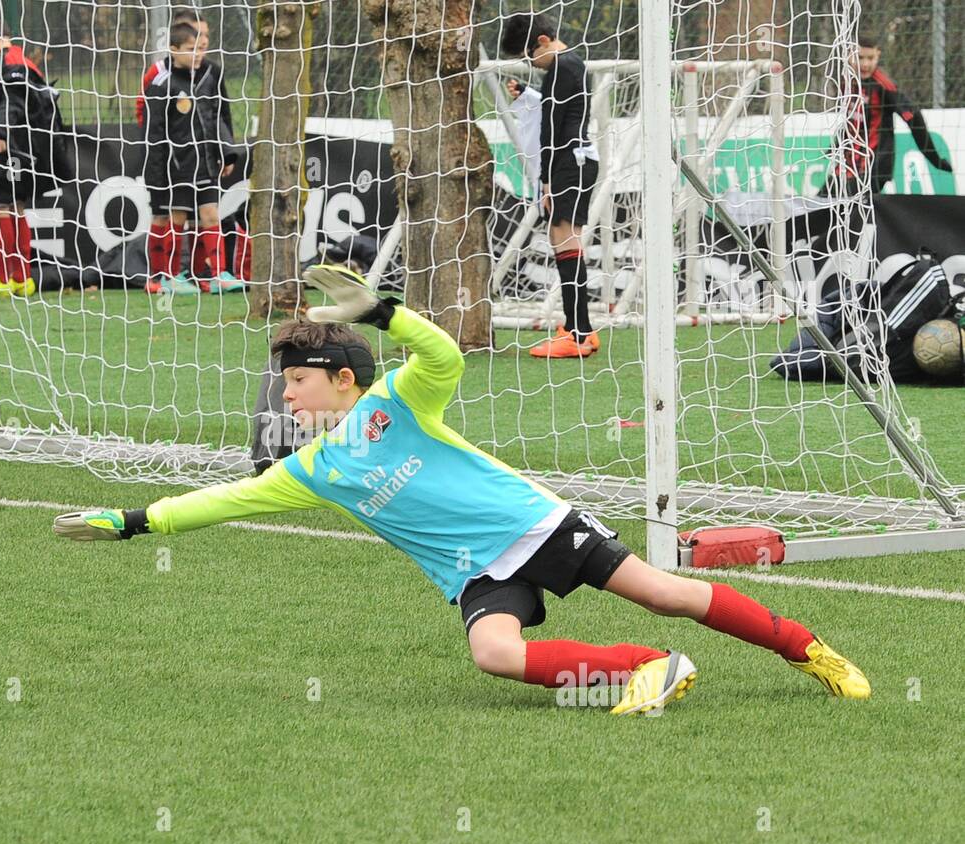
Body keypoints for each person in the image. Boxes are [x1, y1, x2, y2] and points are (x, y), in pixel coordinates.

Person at [54, 266, 871, 715]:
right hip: (478, 572)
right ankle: (647, 672)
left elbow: (442, 354)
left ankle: (809, 650)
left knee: (666, 589)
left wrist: (384, 312)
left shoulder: (395, 403)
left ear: (342, 379)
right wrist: (133, 520)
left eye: (297, 381)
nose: (287, 397)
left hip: (535, 524)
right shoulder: (310, 470)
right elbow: (222, 501)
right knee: (493, 654)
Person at [502, 13, 600, 359]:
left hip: (568, 163)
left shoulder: (560, 67)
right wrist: (530, 93)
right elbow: (558, 112)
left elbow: (552, 130)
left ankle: (578, 333)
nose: (531, 62)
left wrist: (545, 181)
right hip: (577, 161)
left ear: (543, 41)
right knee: (566, 244)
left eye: (530, 54)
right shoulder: (571, 65)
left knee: (566, 242)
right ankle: (580, 328)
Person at [0, 13, 64, 298]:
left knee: (0, 206)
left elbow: (14, 99)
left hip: (11, 146)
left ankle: (5, 276)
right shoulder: (16, 60)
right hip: (22, 147)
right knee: (14, 206)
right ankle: (21, 277)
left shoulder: (9, 62)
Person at [143, 20, 241, 295]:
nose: (198, 55)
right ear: (173, 49)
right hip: (178, 166)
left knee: (210, 215)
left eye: (201, 49)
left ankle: (216, 274)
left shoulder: (211, 74)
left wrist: (227, 151)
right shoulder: (161, 82)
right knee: (175, 219)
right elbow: (154, 132)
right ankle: (169, 276)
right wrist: (156, 173)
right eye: (191, 49)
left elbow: (221, 115)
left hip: (207, 162)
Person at [825, 34, 953, 198]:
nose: (865, 64)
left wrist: (935, 160)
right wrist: (838, 144)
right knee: (823, 199)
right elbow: (852, 120)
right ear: (849, 56)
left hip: (875, 166)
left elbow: (914, 120)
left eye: (870, 58)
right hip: (848, 163)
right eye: (859, 57)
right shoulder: (846, 81)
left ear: (878, 54)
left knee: (850, 205)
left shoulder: (884, 86)